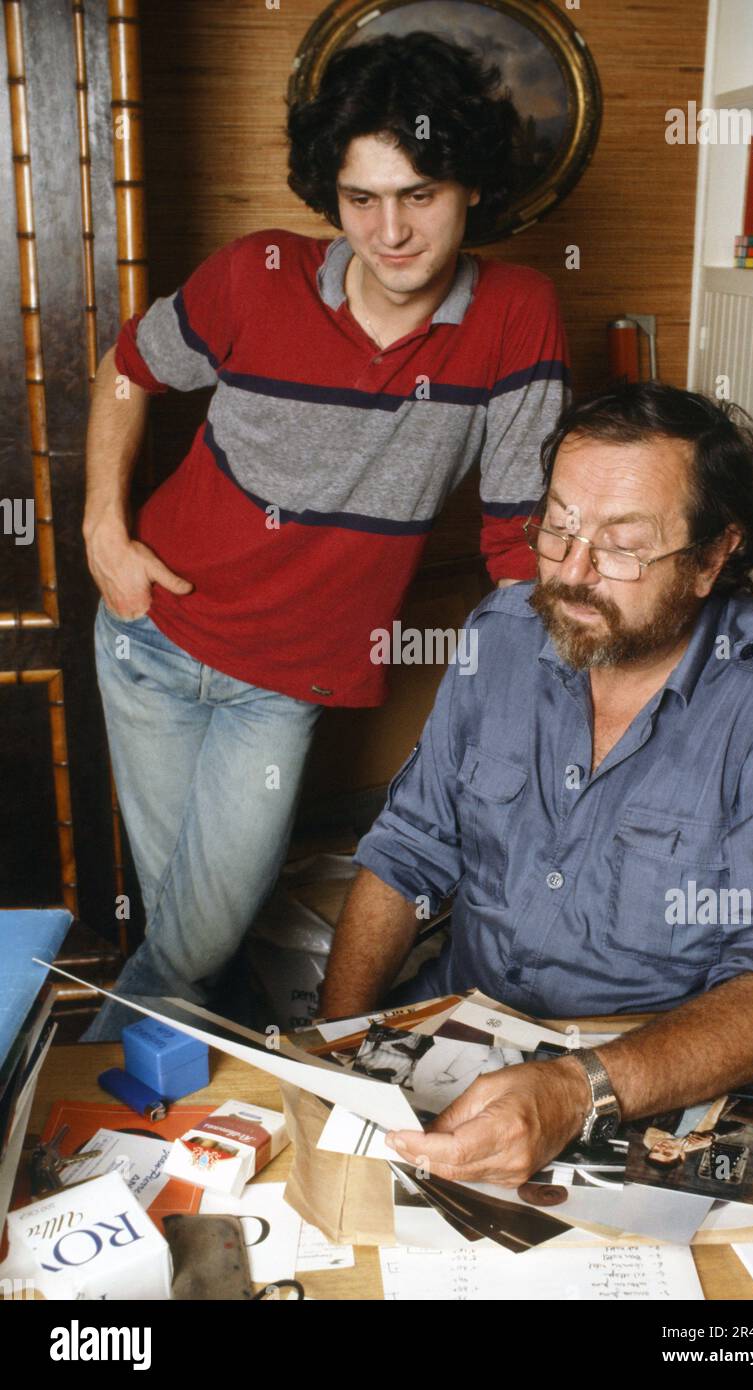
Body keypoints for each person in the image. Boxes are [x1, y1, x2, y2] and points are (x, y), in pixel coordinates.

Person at [80, 33, 569, 1039]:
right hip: (149, 637)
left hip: (283, 684)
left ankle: (59, 1123)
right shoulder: (255, 274)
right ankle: (183, 1139)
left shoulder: (517, 313)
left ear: (470, 185)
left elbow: (516, 539)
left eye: (420, 193)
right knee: (196, 938)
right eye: (360, 199)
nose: (390, 231)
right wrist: (103, 532)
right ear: (328, 196)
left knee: (195, 938)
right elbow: (127, 366)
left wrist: (559, 687)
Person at [319, 381, 753, 1187]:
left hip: (645, 1073)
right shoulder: (497, 637)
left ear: (711, 556)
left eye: (622, 545)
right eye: (557, 528)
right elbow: (407, 851)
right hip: (461, 1024)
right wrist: (340, 1049)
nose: (572, 573)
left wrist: (577, 1089)